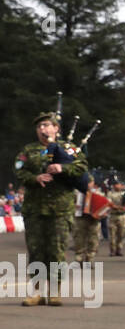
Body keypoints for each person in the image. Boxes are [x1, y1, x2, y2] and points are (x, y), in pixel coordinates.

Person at [12, 111, 87, 305]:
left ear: (56, 128)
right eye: (39, 126)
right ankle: (36, 291)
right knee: (36, 251)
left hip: (61, 209)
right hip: (35, 209)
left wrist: (64, 168)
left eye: (46, 125)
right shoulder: (29, 150)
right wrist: (35, 178)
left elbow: (82, 168)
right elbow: (19, 171)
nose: (43, 129)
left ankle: (55, 291)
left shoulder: (68, 148)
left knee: (56, 251)